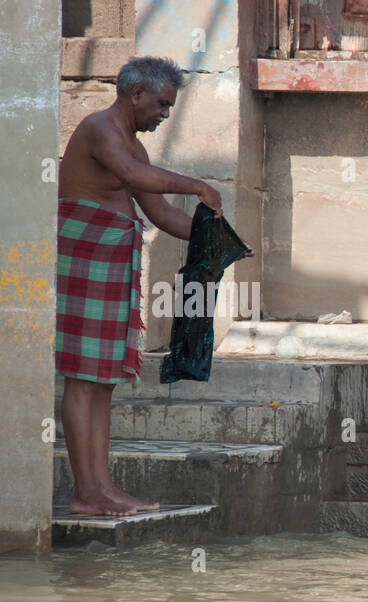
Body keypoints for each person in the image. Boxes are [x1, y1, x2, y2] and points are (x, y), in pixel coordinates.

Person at [58, 56, 224, 516]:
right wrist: (198, 185)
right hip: (84, 262)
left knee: (105, 379)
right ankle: (85, 491)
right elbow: (132, 179)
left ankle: (102, 487)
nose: (164, 115)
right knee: (83, 377)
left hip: (113, 267)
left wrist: (221, 240)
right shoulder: (99, 130)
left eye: (170, 108)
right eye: (162, 105)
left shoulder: (136, 147)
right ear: (135, 95)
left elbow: (163, 215)